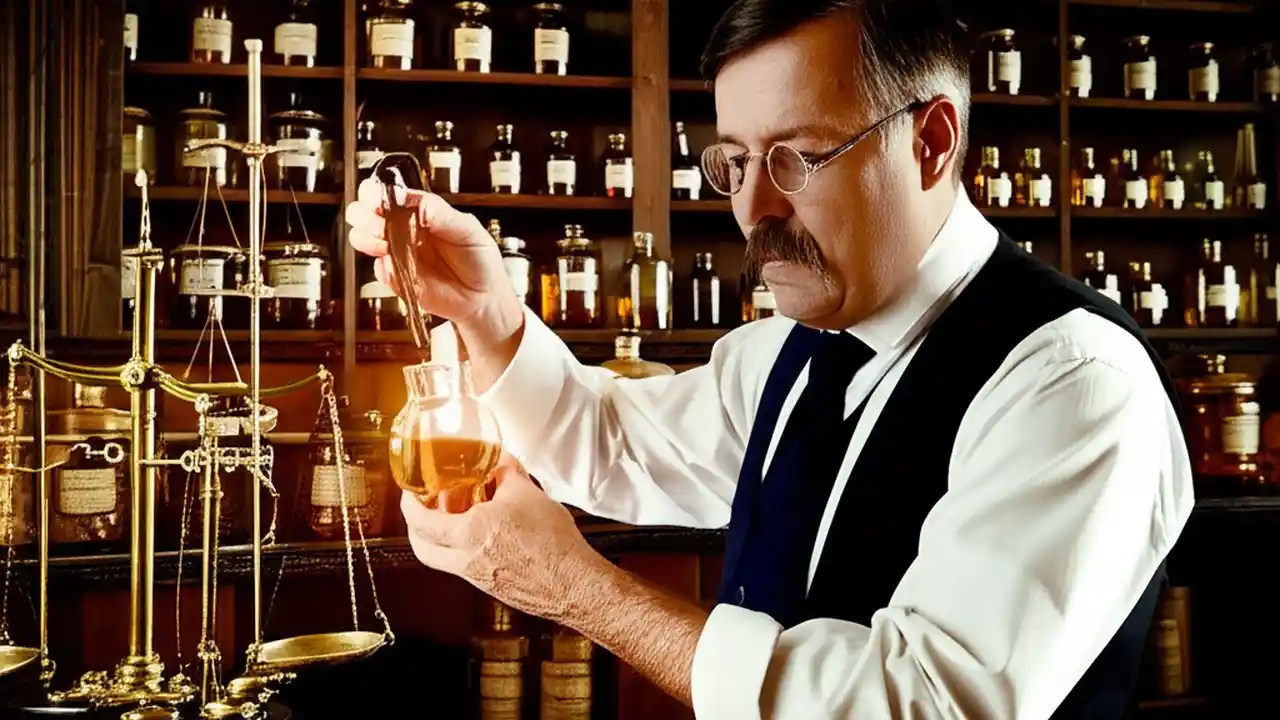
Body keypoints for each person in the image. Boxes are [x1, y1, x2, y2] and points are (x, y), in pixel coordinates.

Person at [345, 1, 1195, 717]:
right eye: (737, 160)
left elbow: (923, 703)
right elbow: (607, 441)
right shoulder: (786, 353)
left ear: (932, 140)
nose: (755, 208)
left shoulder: (1072, 380)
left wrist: (584, 592)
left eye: (797, 156)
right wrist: (487, 313)